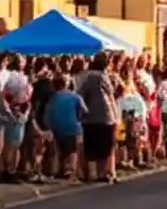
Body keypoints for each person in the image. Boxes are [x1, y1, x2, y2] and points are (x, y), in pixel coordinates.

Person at [78, 53, 118, 184]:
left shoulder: (86, 76)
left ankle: (90, 174)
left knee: (91, 147)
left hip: (89, 118)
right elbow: (111, 95)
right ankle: (101, 173)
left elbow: (80, 95)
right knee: (103, 147)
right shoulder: (101, 77)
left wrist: (84, 110)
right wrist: (116, 115)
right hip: (105, 117)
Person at [45, 74, 87, 181]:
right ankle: (73, 170)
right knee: (74, 149)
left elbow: (48, 114)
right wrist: (79, 117)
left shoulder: (52, 98)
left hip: (56, 127)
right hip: (73, 126)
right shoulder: (75, 96)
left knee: (61, 148)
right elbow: (85, 110)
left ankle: (61, 168)